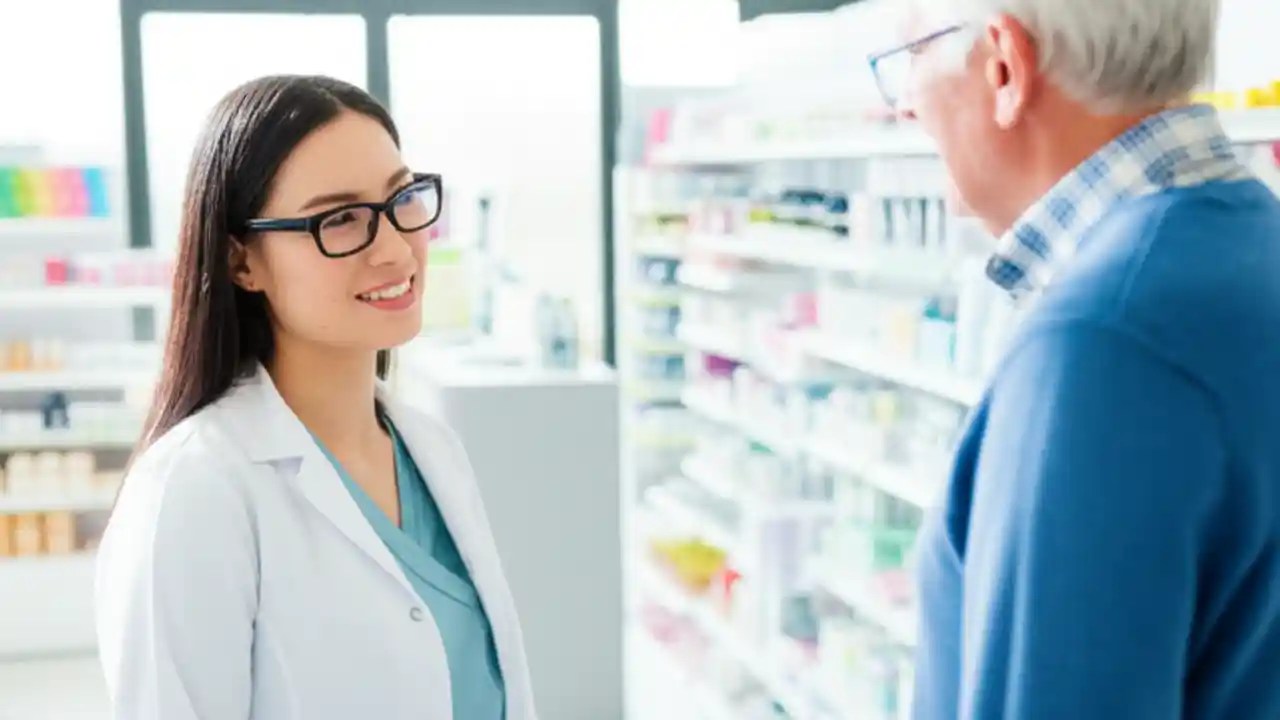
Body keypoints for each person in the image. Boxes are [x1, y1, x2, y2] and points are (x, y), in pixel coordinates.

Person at [869, 1, 1280, 718]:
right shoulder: (1245, 244)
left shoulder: (1103, 346)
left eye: (914, 56)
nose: (905, 104)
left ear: (1004, 66)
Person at [95, 75, 536, 720]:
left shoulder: (430, 449)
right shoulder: (195, 490)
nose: (393, 248)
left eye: (401, 199)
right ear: (242, 261)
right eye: (341, 219)